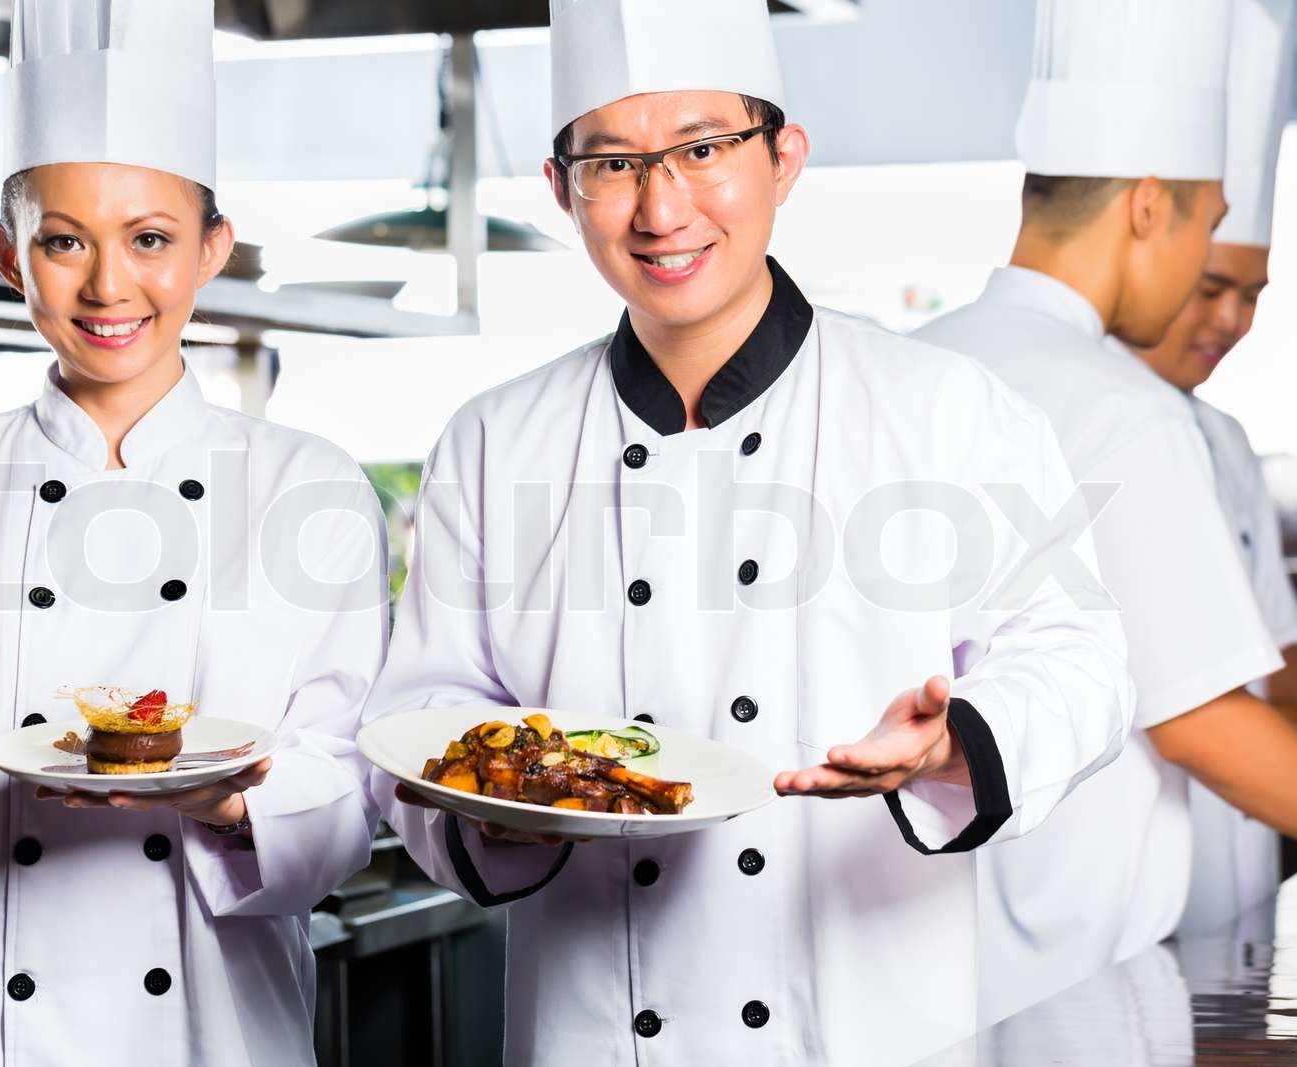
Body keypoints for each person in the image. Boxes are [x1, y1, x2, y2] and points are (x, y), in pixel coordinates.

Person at [363, 1, 1133, 1063]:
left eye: (703, 149)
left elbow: (1080, 660)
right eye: (613, 164)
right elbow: (422, 711)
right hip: (597, 1030)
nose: (660, 207)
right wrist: (491, 806)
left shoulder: (948, 410)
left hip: (867, 1028)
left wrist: (953, 739)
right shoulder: (495, 439)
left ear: (784, 159)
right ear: (560, 188)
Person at [0, 3, 387, 1064]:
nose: (107, 285)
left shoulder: (310, 486)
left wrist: (232, 800)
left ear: (212, 249)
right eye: (63, 241)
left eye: (150, 239)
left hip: (212, 1030)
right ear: (10, 255)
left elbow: (348, 797)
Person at [916, 0, 1297, 1025]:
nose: (1206, 273)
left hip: (940, 963)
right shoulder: (1121, 407)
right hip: (1088, 973)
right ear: (1149, 206)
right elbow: (1201, 721)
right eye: (1208, 223)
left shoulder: (912, 368)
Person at [1123, 0, 1297, 935]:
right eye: (1211, 286)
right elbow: (1196, 718)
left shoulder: (1223, 439)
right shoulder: (1080, 415)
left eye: (1251, 294)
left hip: (1236, 883)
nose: (1230, 321)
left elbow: (1279, 662)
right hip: (1115, 896)